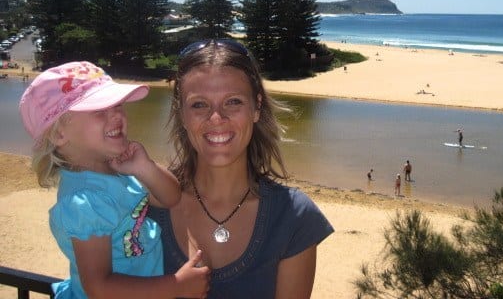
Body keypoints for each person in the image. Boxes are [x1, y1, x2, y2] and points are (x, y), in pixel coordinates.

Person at [149, 39, 334, 298]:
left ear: (256, 107)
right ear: (181, 113)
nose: (216, 118)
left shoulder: (293, 217)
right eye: (199, 104)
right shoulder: (144, 205)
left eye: (233, 102)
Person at [19, 61, 210, 299]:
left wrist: (144, 167)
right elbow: (99, 287)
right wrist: (177, 285)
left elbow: (171, 197)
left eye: (118, 105)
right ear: (59, 133)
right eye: (99, 110)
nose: (117, 115)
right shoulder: (85, 202)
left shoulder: (116, 168)